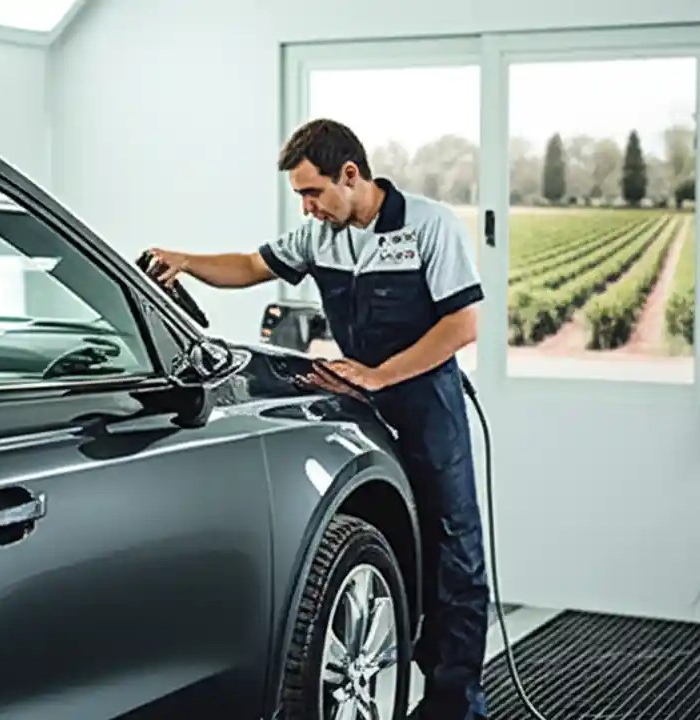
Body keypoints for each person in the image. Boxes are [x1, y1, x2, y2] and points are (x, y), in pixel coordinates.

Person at [145, 118, 490, 720]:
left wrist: (382, 374)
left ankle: (456, 707)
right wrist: (185, 261)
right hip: (363, 402)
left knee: (453, 558)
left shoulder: (427, 225)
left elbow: (462, 325)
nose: (307, 208)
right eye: (301, 196)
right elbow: (250, 265)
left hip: (427, 403)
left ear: (350, 175)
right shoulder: (319, 237)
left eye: (313, 193)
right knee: (394, 545)